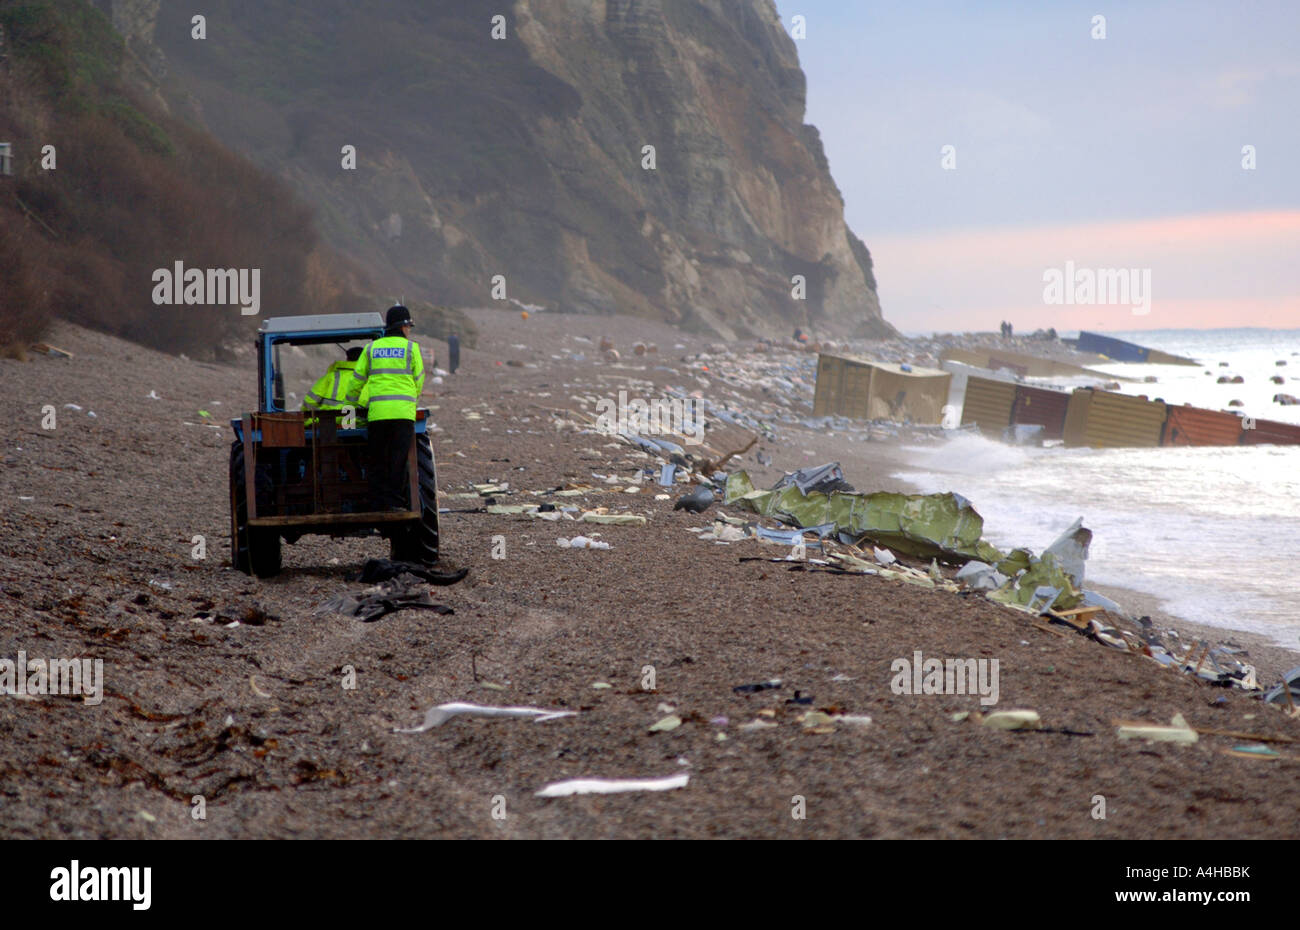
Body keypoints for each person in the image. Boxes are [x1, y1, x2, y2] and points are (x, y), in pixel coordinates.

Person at [346, 305, 425, 511]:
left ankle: (378, 502)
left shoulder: (371, 349)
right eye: (409, 326)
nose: (409, 330)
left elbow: (356, 381)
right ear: (403, 326)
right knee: (397, 460)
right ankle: (395, 503)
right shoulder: (411, 348)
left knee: (378, 459)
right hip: (403, 414)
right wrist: (410, 399)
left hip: (378, 415)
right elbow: (419, 379)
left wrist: (352, 403)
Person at [302, 346, 365, 418]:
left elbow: (309, 401)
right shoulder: (370, 378)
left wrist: (319, 420)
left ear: (347, 359)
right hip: (360, 426)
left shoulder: (331, 377)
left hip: (329, 425)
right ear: (364, 360)